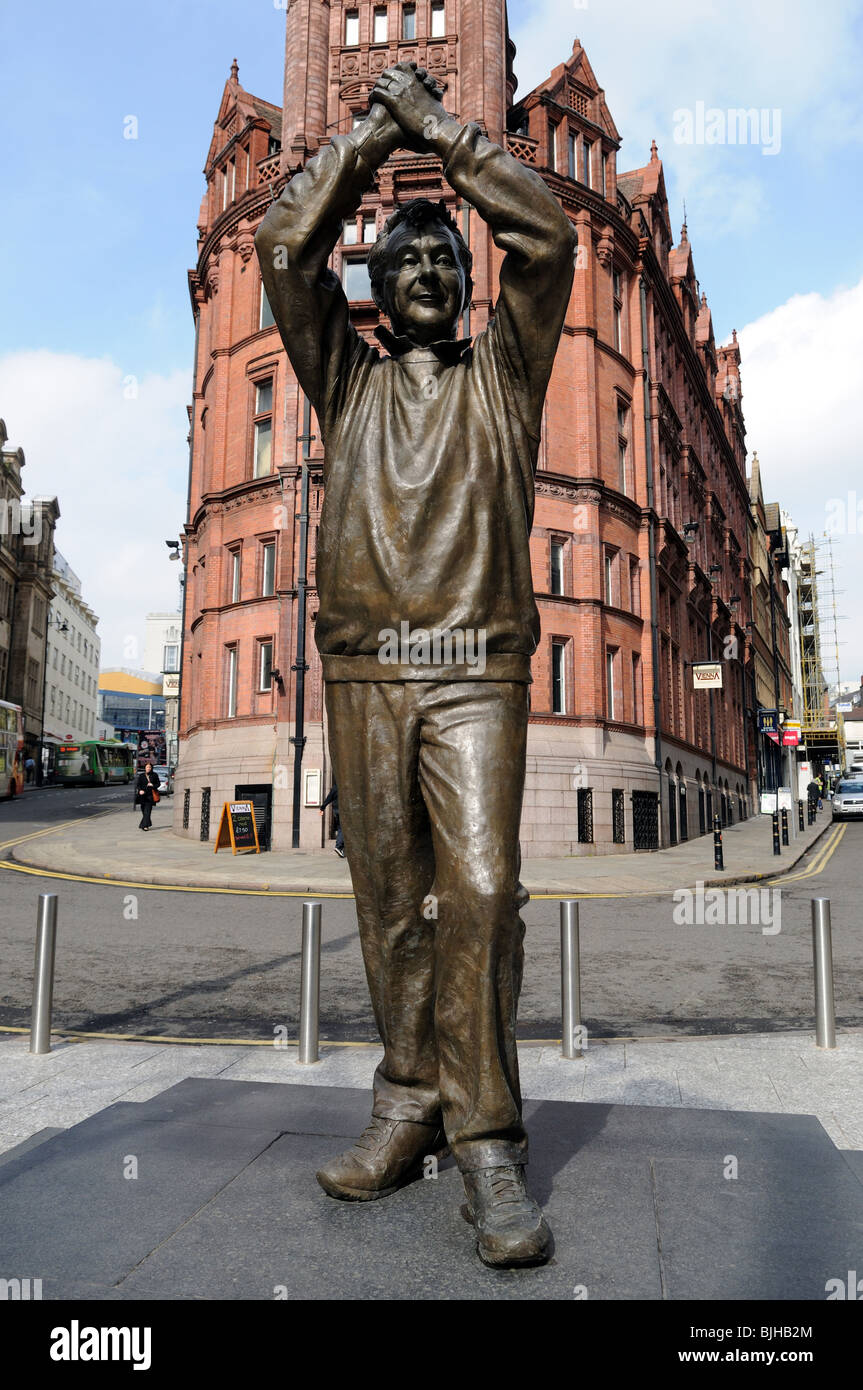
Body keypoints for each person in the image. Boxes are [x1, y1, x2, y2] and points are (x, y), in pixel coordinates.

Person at [257, 62, 573, 1268]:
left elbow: (542, 239)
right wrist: (361, 139)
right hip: (364, 671)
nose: (433, 272)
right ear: (378, 294)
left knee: (482, 890)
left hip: (474, 665)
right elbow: (290, 253)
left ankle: (486, 1140)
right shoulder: (348, 382)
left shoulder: (506, 373)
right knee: (389, 902)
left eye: (447, 260)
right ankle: (406, 1102)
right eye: (408, 264)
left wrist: (439, 131)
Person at [320, 781, 345, 857]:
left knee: (340, 827)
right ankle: (339, 846)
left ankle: (340, 846)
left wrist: (322, 807)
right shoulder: (346, 786)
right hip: (343, 810)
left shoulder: (335, 787)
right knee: (342, 828)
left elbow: (329, 797)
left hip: (336, 810)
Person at [135, 762, 161, 831]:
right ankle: (147, 823)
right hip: (142, 796)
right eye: (147, 767)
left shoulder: (154, 775)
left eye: (150, 767)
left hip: (150, 796)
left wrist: (153, 785)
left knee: (147, 811)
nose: (148, 768)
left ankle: (144, 826)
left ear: (151, 768)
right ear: (145, 768)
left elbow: (158, 784)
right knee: (144, 811)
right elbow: (138, 785)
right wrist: (140, 790)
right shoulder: (141, 776)